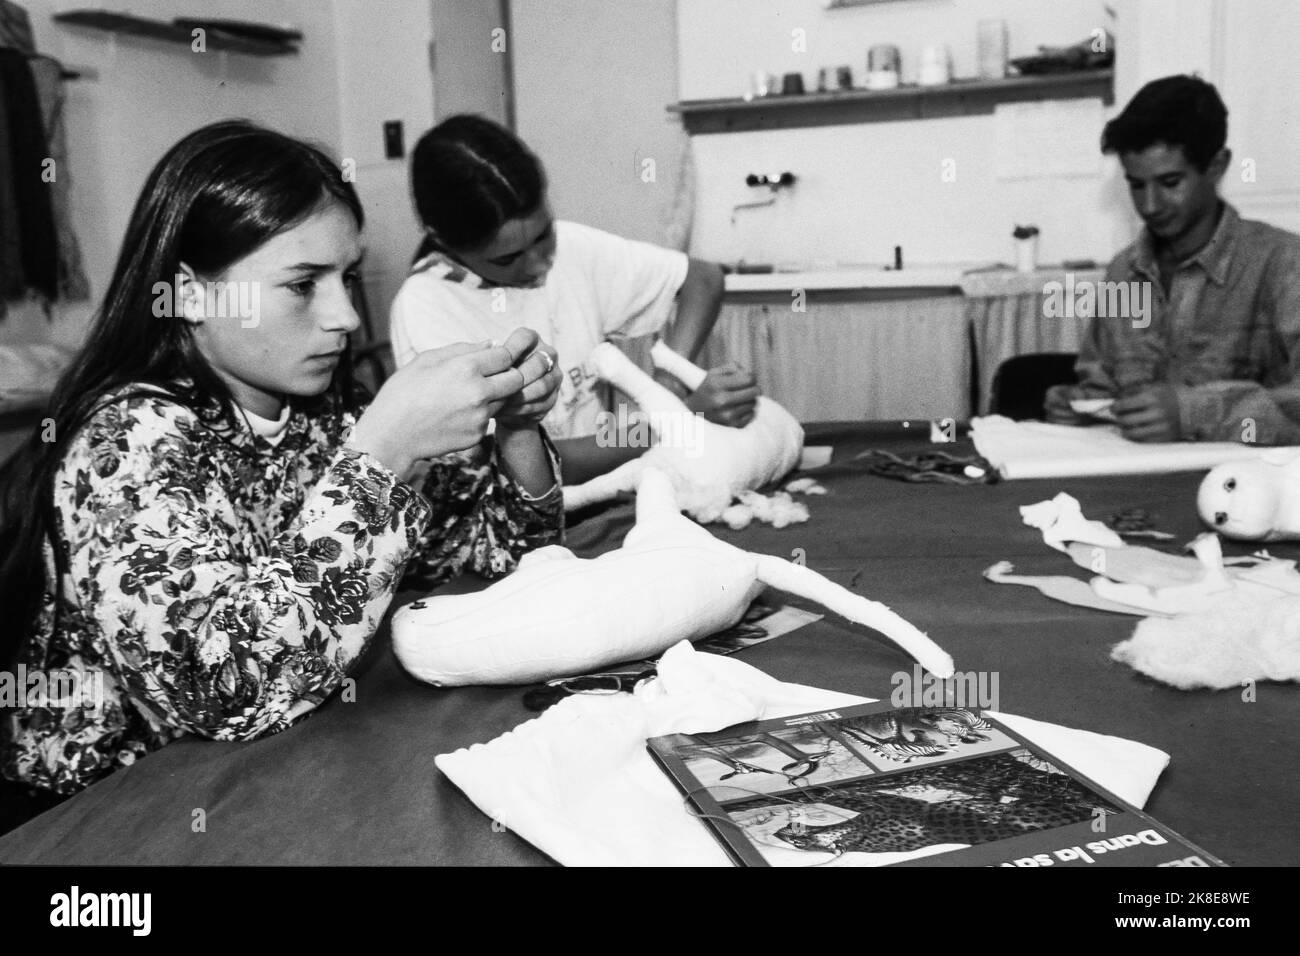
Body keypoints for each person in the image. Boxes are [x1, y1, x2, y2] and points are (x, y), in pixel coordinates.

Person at [0, 121, 563, 825]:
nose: (345, 315)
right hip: (103, 813)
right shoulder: (124, 443)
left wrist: (515, 429)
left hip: (261, 768)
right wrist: (380, 456)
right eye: (303, 285)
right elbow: (224, 690)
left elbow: (498, 555)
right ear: (192, 295)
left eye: (348, 277)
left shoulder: (319, 413)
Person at [389, 114, 761, 484]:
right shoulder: (426, 308)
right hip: (526, 523)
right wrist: (675, 422)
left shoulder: (571, 249)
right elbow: (527, 468)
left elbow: (703, 279)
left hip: (614, 483)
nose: (540, 262)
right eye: (507, 259)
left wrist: (667, 388)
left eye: (543, 234)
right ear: (443, 240)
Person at [1045, 75, 1300, 444]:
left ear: (1216, 166)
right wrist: (1081, 406)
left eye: (1169, 183)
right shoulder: (1123, 273)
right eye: (1135, 185)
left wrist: (1195, 413)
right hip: (1137, 490)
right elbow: (1101, 385)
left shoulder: (1284, 265)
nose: (1149, 205)